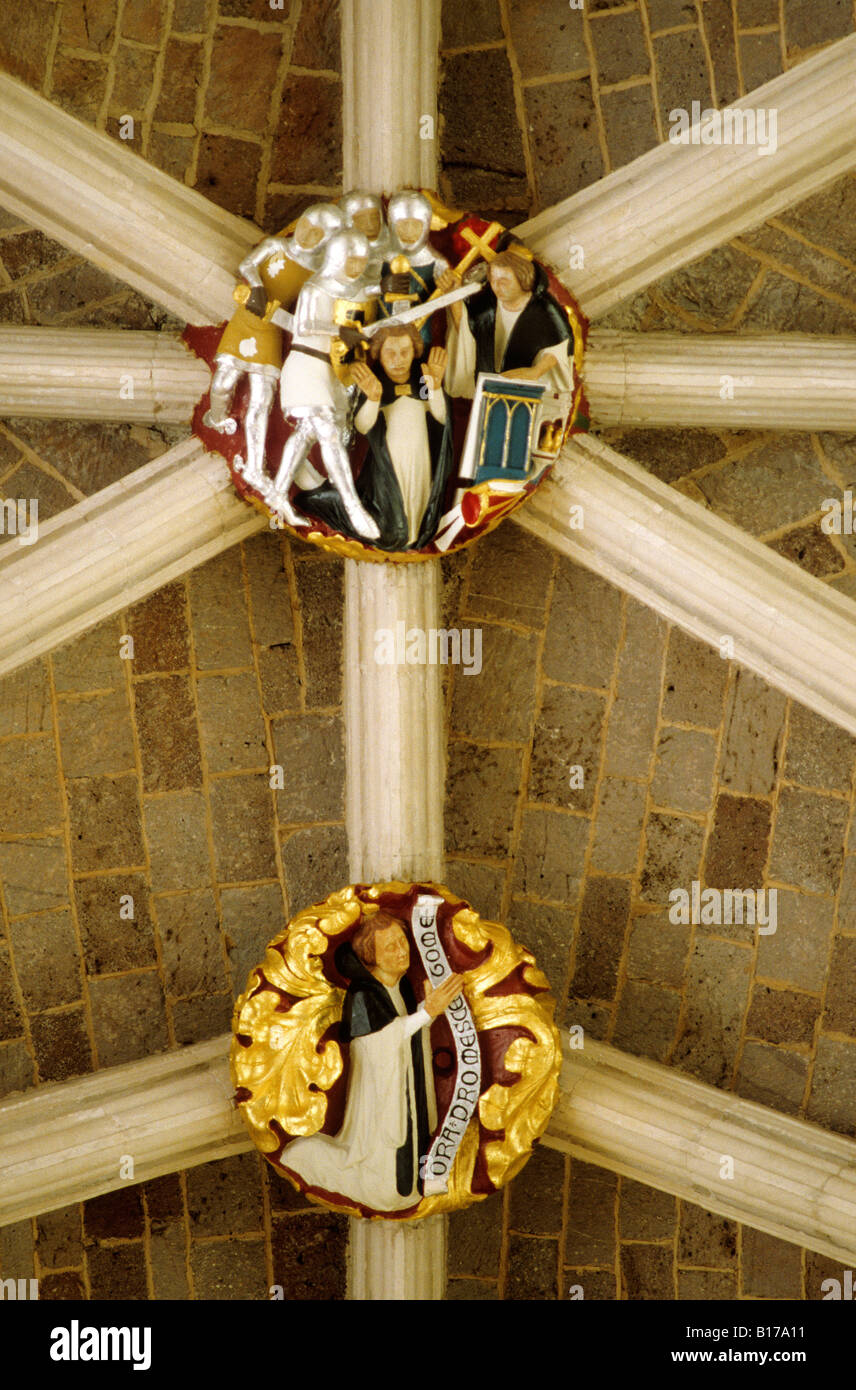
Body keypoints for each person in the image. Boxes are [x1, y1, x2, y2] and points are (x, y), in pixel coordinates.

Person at [282, 911, 462, 1212]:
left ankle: (415, 1181)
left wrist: (424, 1015)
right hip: (381, 1103)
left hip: (407, 1093)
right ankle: (313, 1160)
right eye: (390, 946)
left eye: (403, 941)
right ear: (371, 956)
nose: (403, 950)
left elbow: (407, 1037)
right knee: (385, 1186)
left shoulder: (400, 987)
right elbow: (381, 1044)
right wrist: (426, 1013)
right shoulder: (364, 994)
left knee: (411, 1143)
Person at [203, 202, 344, 489]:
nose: (307, 236)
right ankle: (215, 417)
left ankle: (255, 469)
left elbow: (310, 307)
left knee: (262, 400)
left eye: (317, 234)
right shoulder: (275, 246)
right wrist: (256, 286)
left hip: (271, 329)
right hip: (246, 320)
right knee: (222, 383)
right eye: (307, 227)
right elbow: (247, 264)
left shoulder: (314, 272)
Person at [264, 228, 380, 540]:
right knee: (327, 432)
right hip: (305, 365)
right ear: (337, 258)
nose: (355, 268)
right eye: (351, 261)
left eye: (360, 262)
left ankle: (277, 494)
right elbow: (304, 325)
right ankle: (352, 504)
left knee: (305, 434)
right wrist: (341, 331)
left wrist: (382, 289)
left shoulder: (349, 288)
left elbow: (364, 297)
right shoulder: (316, 287)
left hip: (327, 371)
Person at [296, 323, 452, 550]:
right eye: (390, 353)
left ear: (414, 352)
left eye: (404, 352)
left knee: (416, 516)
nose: (398, 360)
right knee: (388, 529)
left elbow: (441, 417)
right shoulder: (375, 384)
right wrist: (374, 398)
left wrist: (436, 388)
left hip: (420, 460)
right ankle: (321, 494)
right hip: (387, 467)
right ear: (379, 354)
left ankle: (413, 535)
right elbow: (362, 426)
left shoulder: (422, 379)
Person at [441, 240, 576, 398]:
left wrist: (535, 371)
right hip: (489, 393)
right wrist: (454, 297)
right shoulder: (488, 305)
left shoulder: (544, 308)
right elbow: (466, 330)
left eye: (503, 282)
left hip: (528, 391)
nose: (496, 287)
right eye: (493, 281)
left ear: (523, 279)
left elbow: (557, 348)